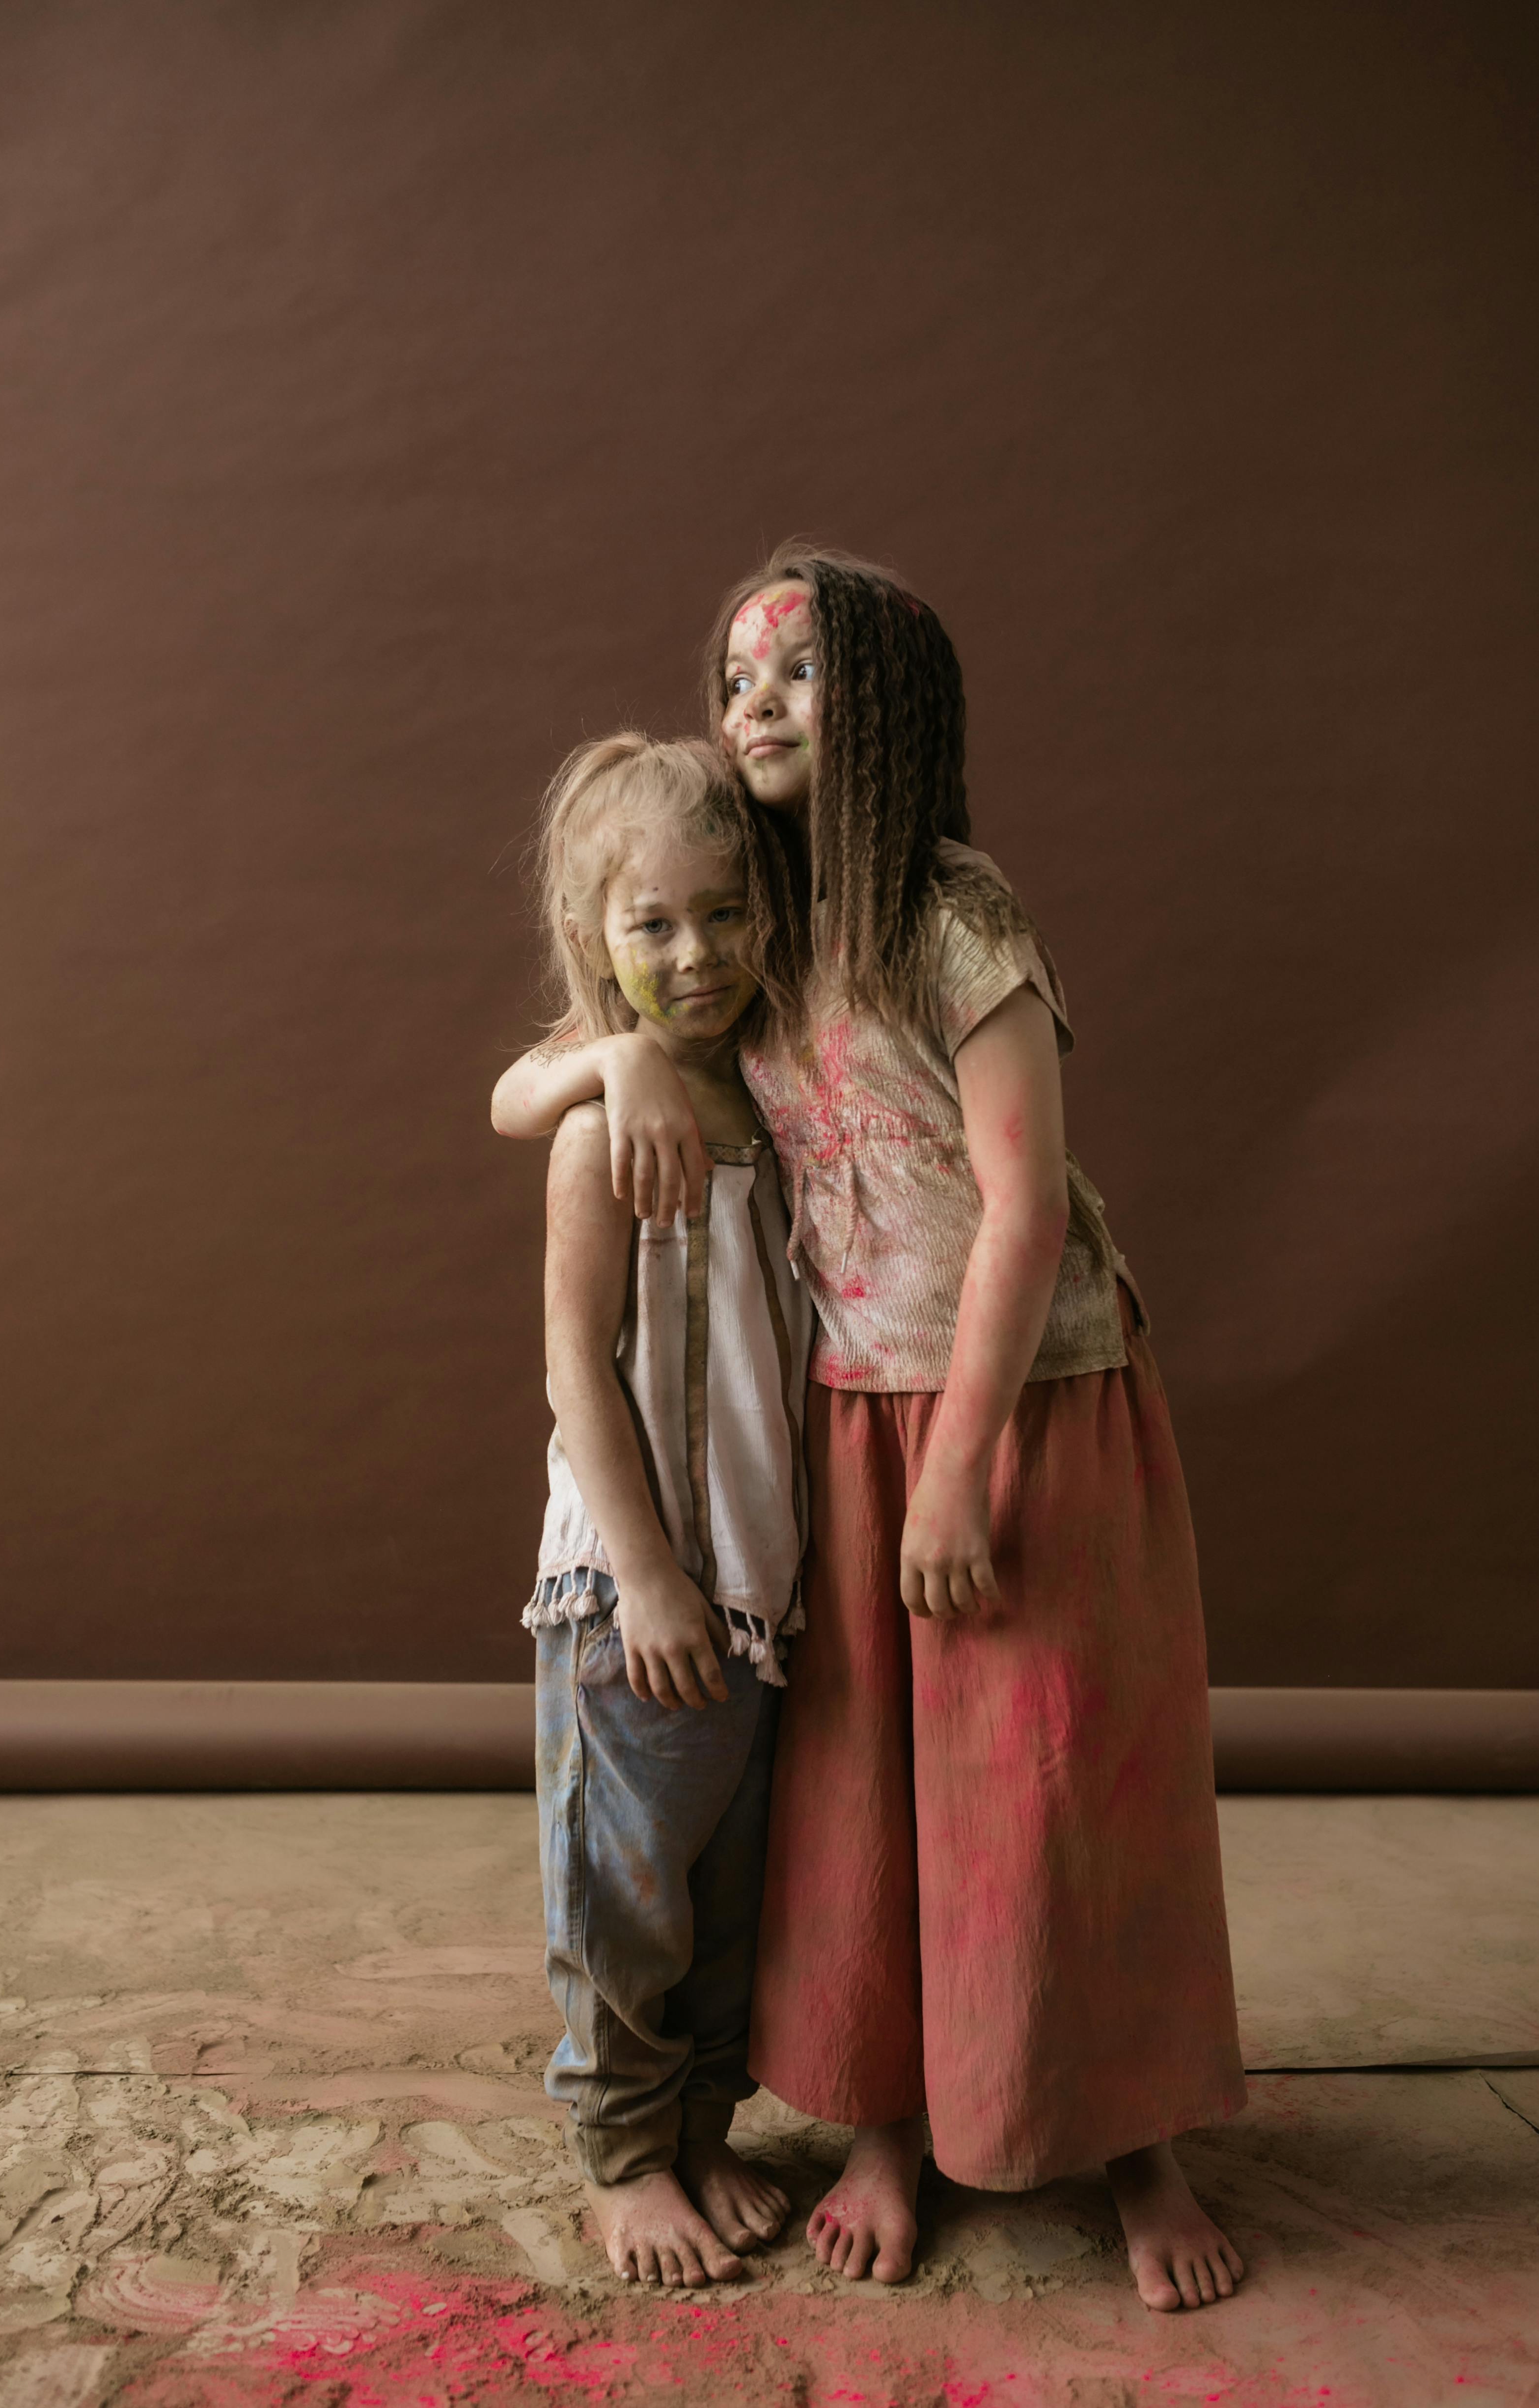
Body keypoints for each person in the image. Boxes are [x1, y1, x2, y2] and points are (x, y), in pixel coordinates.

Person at [491, 552, 1247, 2315]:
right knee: (867, 1794)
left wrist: (970, 1460)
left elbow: (1027, 1206)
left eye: (796, 675)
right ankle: (894, 2121)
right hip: (852, 1416)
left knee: (1060, 1780)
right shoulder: (737, 934)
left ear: (889, 705)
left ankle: (1133, 2135)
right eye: (736, 676)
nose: (750, 702)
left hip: (1021, 1406)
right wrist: (616, 1070)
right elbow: (527, 1077)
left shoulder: (953, 914)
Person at [514, 732, 809, 2291]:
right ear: (595, 940)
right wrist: (649, 1577)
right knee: (626, 1890)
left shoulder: (779, 1097)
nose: (695, 957)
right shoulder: (600, 1128)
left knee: (727, 1888)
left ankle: (703, 2126)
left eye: (725, 915)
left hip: (756, 1585)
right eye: (652, 925)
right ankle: (624, 2155)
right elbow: (575, 1365)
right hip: (640, 1591)